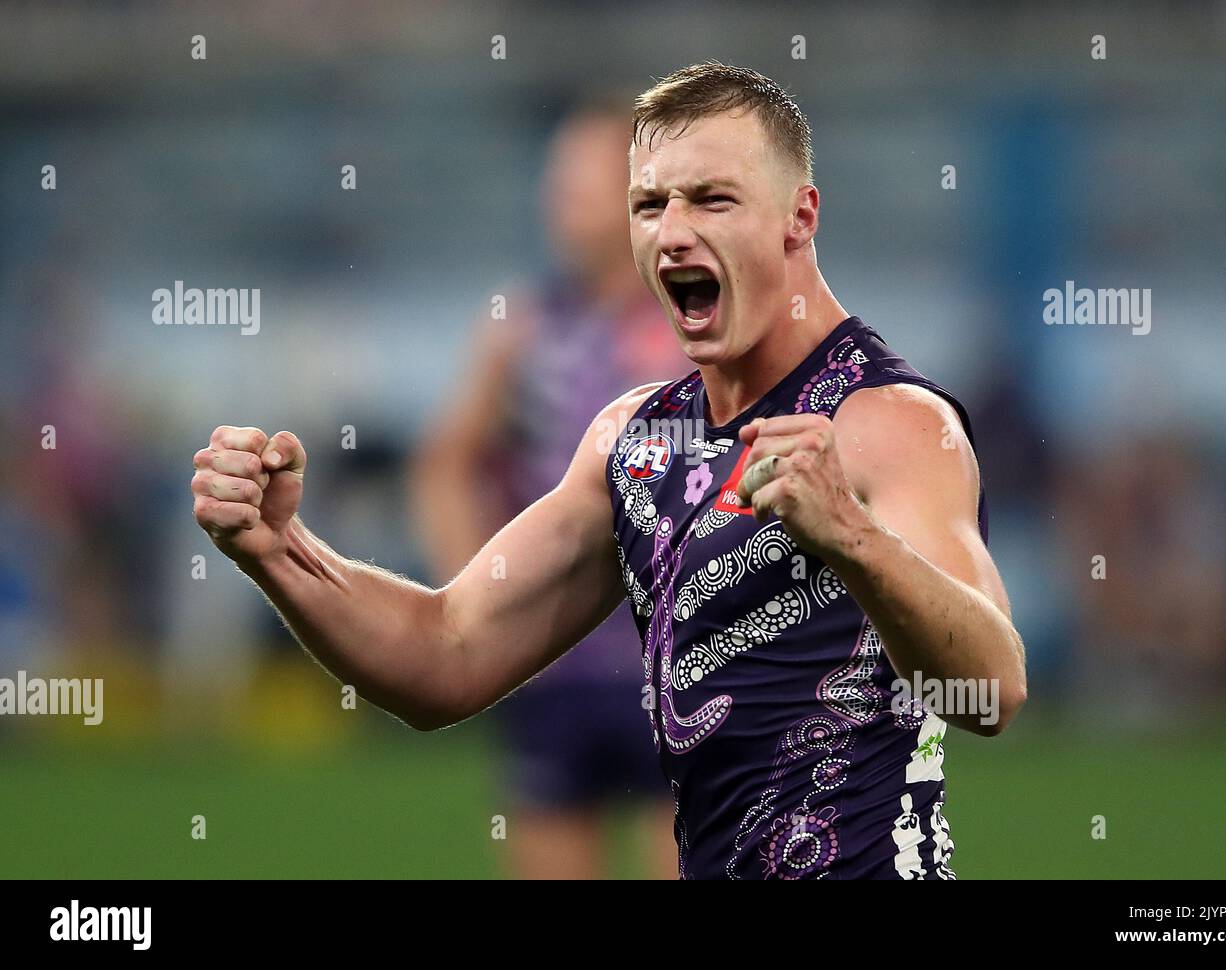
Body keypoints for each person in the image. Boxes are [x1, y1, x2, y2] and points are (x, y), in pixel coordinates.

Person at [192, 63, 1027, 879]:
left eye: (712, 199)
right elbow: (445, 655)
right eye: (650, 204)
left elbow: (992, 689)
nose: (672, 232)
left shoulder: (891, 422)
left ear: (799, 217)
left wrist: (851, 537)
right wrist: (278, 549)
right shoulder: (632, 443)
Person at [411, 104, 684, 879]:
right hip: (557, 668)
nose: (559, 202)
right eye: (554, 183)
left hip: (679, 667)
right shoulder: (524, 328)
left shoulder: (696, 320)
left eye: (581, 183)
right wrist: (476, 604)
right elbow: (445, 463)